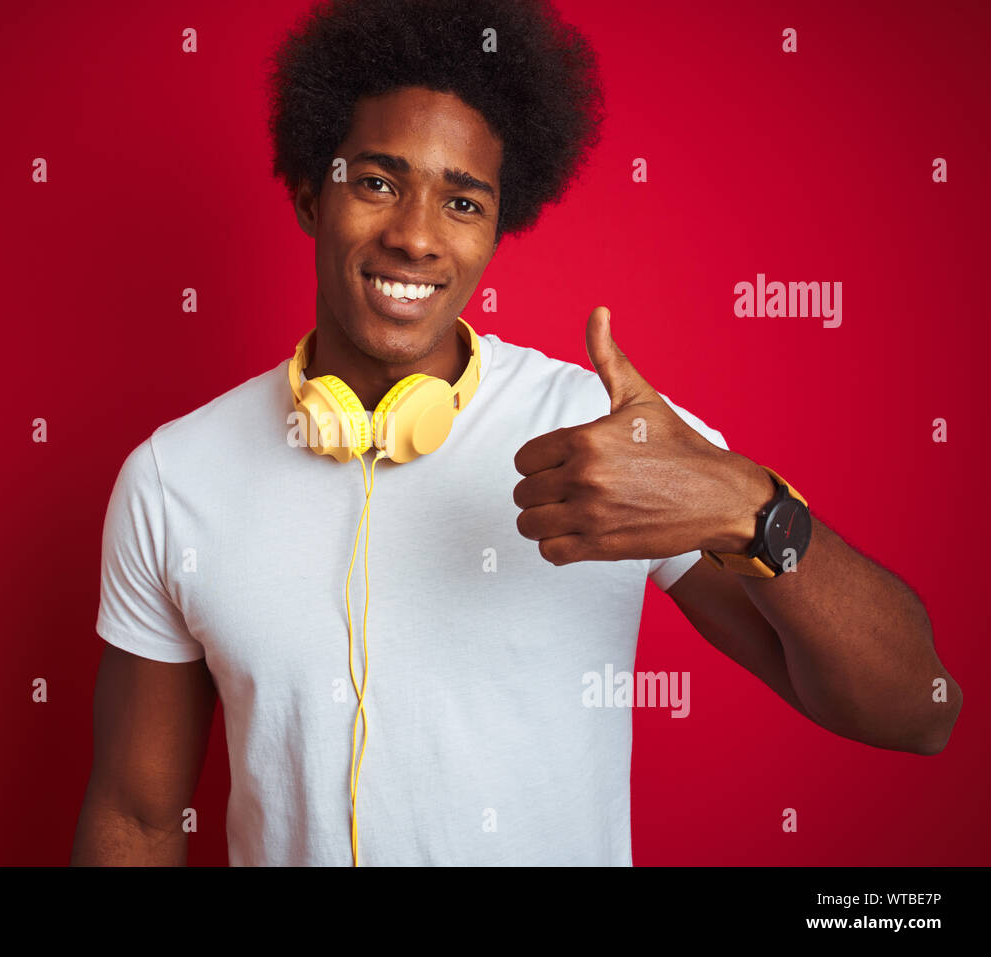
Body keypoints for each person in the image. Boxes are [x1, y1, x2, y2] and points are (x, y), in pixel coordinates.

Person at [70, 0, 961, 867]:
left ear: (501, 227)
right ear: (311, 196)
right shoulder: (172, 477)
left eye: (463, 202)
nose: (417, 236)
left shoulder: (611, 438)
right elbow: (139, 814)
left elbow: (917, 711)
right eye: (378, 182)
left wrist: (748, 504)